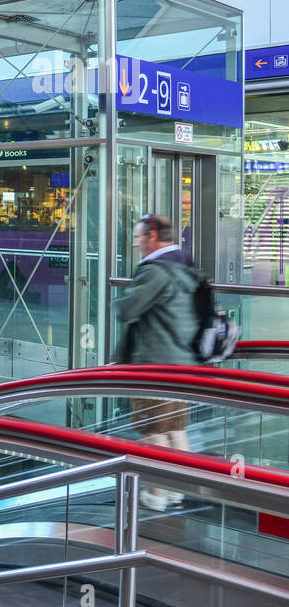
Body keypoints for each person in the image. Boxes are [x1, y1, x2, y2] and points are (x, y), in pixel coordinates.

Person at [114, 213, 199, 511]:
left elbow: (127, 309)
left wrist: (118, 300)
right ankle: (178, 490)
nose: (136, 243)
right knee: (175, 428)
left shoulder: (155, 271)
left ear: (152, 237)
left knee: (152, 429)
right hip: (182, 362)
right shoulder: (184, 263)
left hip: (155, 364)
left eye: (138, 237)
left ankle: (157, 494)